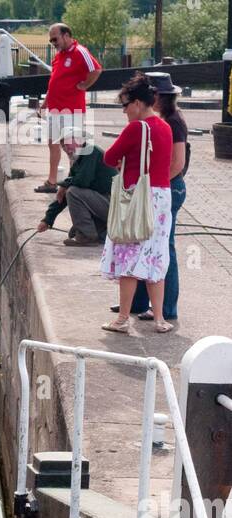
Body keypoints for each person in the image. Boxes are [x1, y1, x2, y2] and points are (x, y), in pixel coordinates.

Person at [100, 74, 174, 335]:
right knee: (155, 256)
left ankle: (122, 318)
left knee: (129, 256)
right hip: (162, 198)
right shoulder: (165, 127)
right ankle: (160, 319)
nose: (124, 111)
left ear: (139, 103)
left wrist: (125, 161)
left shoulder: (136, 128)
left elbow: (109, 157)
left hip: (137, 198)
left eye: (125, 105)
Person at [127, 72, 188, 324]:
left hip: (168, 189)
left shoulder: (173, 122)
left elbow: (178, 163)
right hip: (158, 188)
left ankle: (167, 306)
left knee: (165, 248)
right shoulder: (158, 120)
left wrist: (155, 184)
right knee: (143, 244)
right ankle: (138, 301)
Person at [36, 23, 101, 194]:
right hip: (55, 109)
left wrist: (85, 85)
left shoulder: (79, 51)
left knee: (73, 148)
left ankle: (75, 182)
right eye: (51, 40)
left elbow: (96, 69)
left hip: (71, 110)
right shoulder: (59, 56)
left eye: (55, 39)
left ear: (66, 35)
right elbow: (54, 81)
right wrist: (45, 103)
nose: (53, 42)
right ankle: (52, 181)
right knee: (53, 144)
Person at [36, 135, 116, 245]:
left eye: (68, 145)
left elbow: (83, 181)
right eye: (63, 147)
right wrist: (47, 220)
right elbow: (62, 197)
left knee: (73, 192)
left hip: (113, 205)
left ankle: (87, 236)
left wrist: (64, 185)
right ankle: (96, 233)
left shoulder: (91, 151)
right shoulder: (78, 162)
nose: (66, 149)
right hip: (104, 203)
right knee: (73, 232)